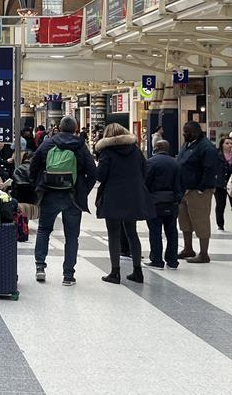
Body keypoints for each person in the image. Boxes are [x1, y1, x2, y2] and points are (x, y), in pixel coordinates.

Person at [29, 116, 97, 286]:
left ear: (58, 128)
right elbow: (93, 172)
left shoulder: (48, 143)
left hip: (50, 194)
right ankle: (68, 275)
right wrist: (83, 190)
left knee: (44, 230)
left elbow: (34, 165)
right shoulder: (81, 146)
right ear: (75, 129)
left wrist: (38, 185)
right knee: (72, 236)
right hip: (73, 197)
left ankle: (40, 267)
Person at [94, 123, 151, 284]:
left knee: (113, 233)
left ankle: (115, 272)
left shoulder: (107, 153)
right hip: (133, 196)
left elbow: (101, 176)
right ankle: (137, 271)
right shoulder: (135, 150)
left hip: (113, 196)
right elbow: (145, 170)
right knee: (132, 232)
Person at [175, 121, 219, 263]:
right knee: (185, 221)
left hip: (199, 191)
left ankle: (204, 253)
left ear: (195, 132)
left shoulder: (206, 147)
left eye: (187, 131)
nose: (184, 134)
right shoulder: (187, 144)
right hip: (184, 190)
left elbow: (210, 169)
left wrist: (201, 188)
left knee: (200, 221)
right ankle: (188, 248)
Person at [144, 139, 182, 270]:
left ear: (156, 148)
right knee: (172, 231)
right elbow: (180, 183)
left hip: (155, 201)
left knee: (155, 231)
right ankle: (172, 260)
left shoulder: (150, 162)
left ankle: (156, 260)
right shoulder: (176, 163)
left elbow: (146, 182)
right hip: (172, 201)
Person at [215, 136, 232, 233]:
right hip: (220, 184)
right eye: (227, 143)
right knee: (220, 205)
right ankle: (220, 225)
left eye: (231, 143)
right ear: (222, 144)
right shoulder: (217, 155)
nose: (229, 145)